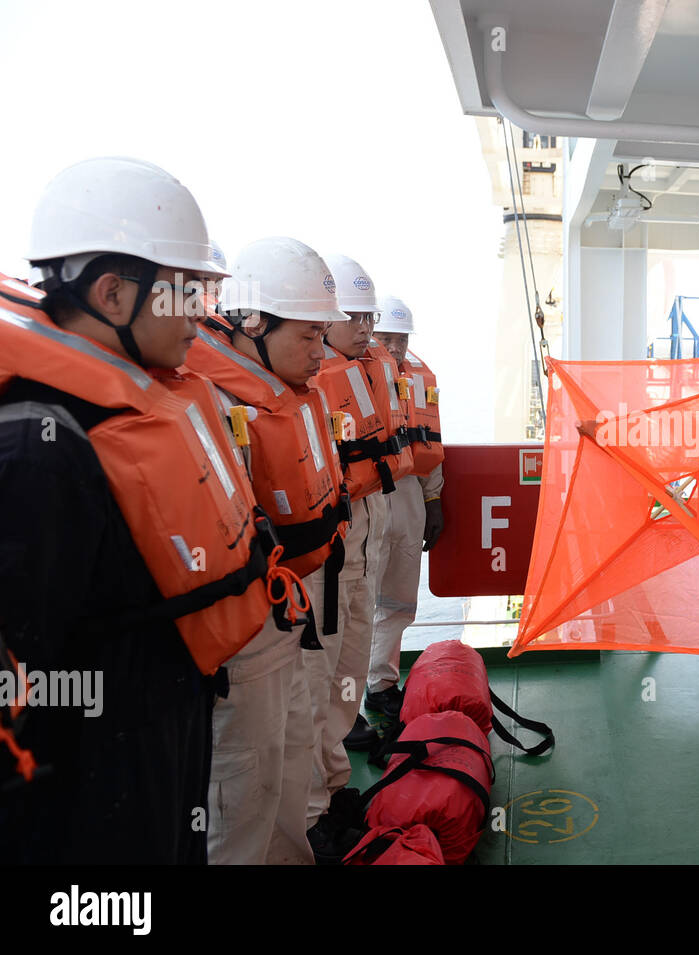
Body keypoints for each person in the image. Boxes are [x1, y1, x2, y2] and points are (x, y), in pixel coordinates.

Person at [0, 157, 267, 863]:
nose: (202, 315)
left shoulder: (135, 401)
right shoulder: (40, 448)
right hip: (92, 799)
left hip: (156, 750)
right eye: (185, 294)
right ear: (113, 294)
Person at [185, 236, 350, 864]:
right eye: (308, 336)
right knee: (240, 805)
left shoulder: (283, 399)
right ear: (253, 322)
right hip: (240, 643)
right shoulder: (216, 407)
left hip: (284, 618)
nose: (319, 352)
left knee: (286, 775)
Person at [305, 254, 412, 859]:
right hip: (334, 533)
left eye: (371, 315)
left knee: (352, 650)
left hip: (367, 519)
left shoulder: (369, 369)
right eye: (356, 315)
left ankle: (335, 783)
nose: (368, 326)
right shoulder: (313, 379)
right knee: (319, 676)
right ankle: (312, 809)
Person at [365, 295, 445, 720]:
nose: (394, 348)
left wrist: (434, 501)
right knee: (357, 603)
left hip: (411, 496)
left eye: (401, 339)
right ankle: (344, 700)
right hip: (369, 497)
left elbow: (429, 441)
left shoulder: (419, 379)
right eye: (386, 338)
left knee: (398, 601)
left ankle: (381, 685)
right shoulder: (347, 379)